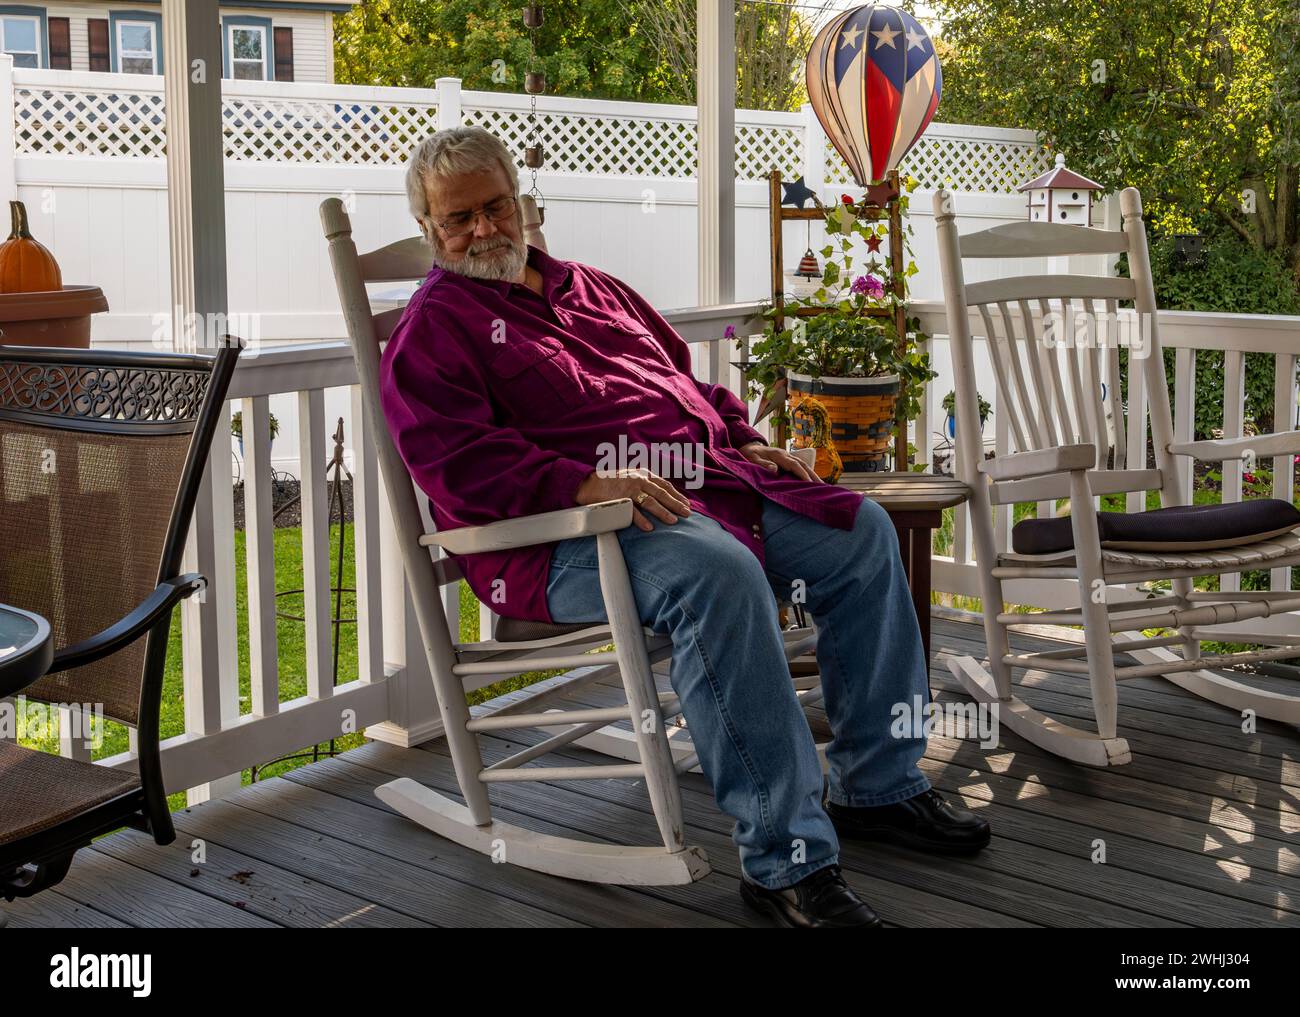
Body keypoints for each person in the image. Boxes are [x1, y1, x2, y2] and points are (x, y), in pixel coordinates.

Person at [380, 126, 990, 928]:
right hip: (560, 539)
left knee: (860, 532)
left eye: (495, 207)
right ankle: (786, 862)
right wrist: (586, 481)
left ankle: (878, 785)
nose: (484, 230)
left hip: (706, 493)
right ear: (431, 229)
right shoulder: (435, 330)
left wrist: (745, 439)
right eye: (459, 220)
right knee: (721, 574)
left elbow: (687, 384)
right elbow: (458, 464)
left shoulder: (595, 289)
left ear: (522, 202)